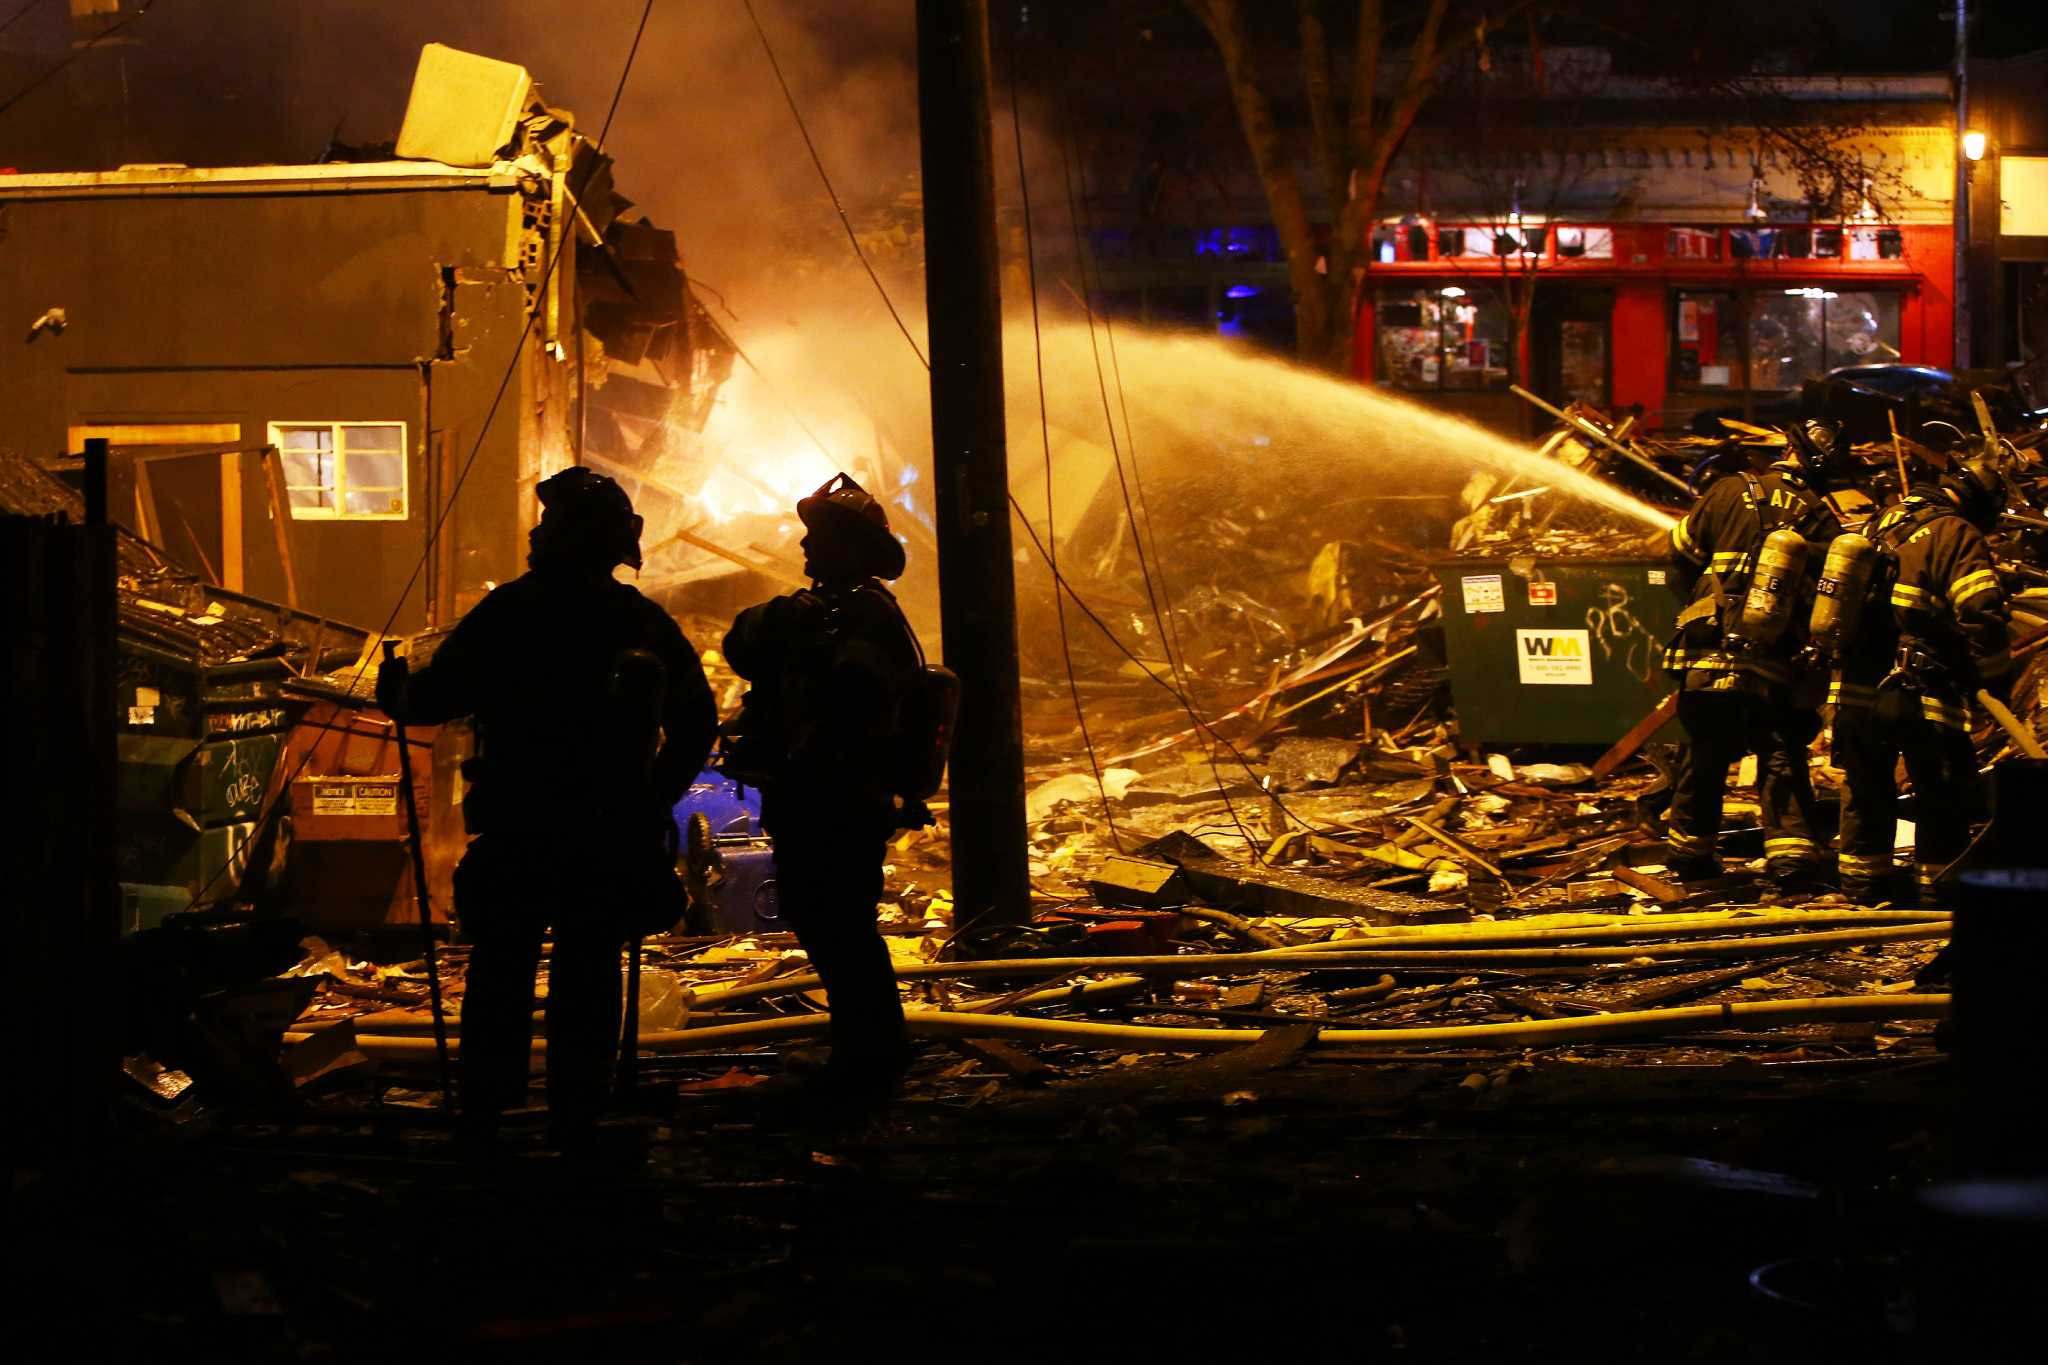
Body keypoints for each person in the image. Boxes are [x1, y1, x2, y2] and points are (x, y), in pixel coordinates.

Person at [377, 467, 716, 1147]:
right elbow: (697, 719)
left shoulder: (513, 612)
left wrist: (396, 691)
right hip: (606, 831)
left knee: (503, 964)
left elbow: (432, 700)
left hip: (521, 825)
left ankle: (487, 1105)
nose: (536, 532)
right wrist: (652, 796)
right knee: (588, 968)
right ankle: (577, 1106)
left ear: (569, 535)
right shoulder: (637, 619)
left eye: (550, 520)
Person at [723, 472, 924, 1096]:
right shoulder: (821, 614)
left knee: (839, 925)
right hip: (814, 796)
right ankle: (864, 1050)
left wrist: (801, 637)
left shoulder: (865, 619)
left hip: (839, 800)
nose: (806, 548)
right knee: (826, 922)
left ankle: (869, 1061)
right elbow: (743, 646)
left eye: (822, 537)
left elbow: (850, 704)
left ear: (855, 547)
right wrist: (789, 619)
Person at [1662, 420, 1846, 890]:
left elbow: (1680, 558)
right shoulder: (1820, 518)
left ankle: (1690, 858)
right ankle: (1792, 860)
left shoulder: (1728, 490)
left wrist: (1702, 610)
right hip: (1773, 662)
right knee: (1781, 755)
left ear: (1789, 448)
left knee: (1704, 752)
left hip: (1709, 653)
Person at [1830, 437, 2012, 906]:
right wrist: (1993, 682)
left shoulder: (1877, 523)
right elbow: (1982, 609)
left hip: (1855, 687)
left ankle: (1863, 889)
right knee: (1942, 790)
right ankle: (1937, 893)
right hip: (1921, 688)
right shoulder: (1954, 532)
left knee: (1865, 789)